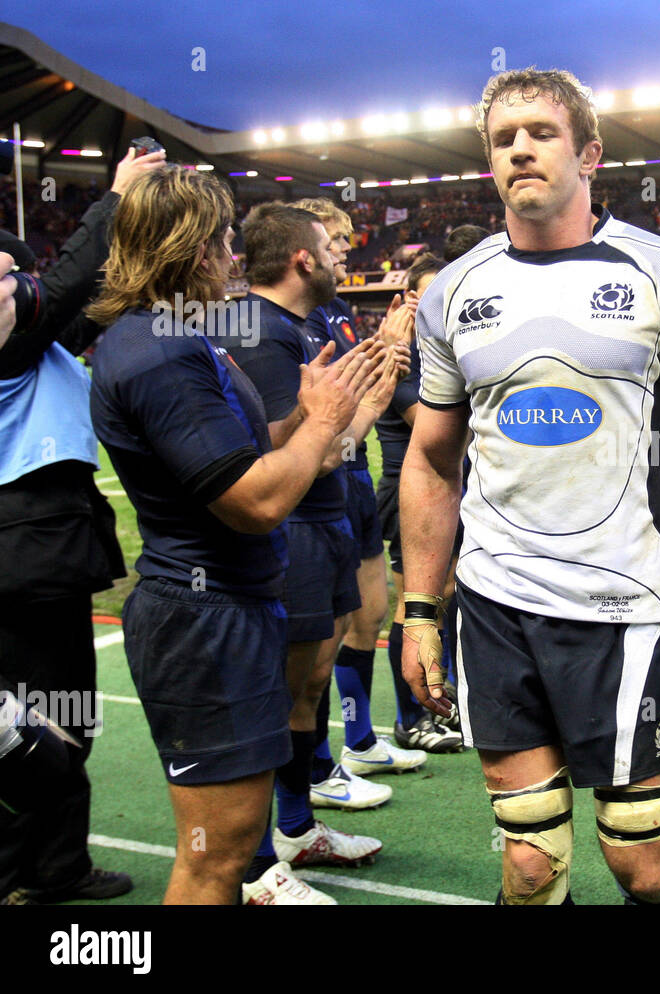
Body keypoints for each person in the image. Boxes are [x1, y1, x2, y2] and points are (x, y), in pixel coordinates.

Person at [400, 68, 660, 905]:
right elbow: (429, 460)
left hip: (621, 604)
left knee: (638, 865)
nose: (519, 148)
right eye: (502, 138)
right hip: (494, 603)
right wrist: (421, 609)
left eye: (542, 132)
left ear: (590, 153)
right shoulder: (453, 292)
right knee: (530, 865)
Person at [87, 166, 383, 904]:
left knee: (225, 850)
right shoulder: (162, 352)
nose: (231, 256)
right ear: (191, 248)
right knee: (216, 859)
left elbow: (254, 454)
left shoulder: (177, 338)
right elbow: (253, 501)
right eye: (222, 239)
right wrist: (321, 425)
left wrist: (320, 410)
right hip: (205, 621)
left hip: (222, 611)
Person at [0, 146, 164, 906]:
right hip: (24, 559)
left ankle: (52, 866)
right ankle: (29, 869)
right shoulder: (13, 342)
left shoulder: (37, 346)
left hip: (41, 556)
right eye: (8, 276)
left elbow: (73, 296)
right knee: (37, 728)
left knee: (50, 721)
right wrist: (116, 198)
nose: (17, 287)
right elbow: (63, 287)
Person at [236, 204, 407, 890]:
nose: (342, 258)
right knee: (277, 694)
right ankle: (251, 863)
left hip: (327, 518)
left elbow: (336, 441)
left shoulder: (298, 327)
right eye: (331, 250)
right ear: (302, 259)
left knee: (308, 684)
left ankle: (299, 829)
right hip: (296, 529)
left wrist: (373, 393)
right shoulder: (265, 333)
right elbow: (286, 450)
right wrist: (342, 429)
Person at [290, 197, 430, 780]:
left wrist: (384, 348)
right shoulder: (291, 323)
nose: (345, 250)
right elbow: (343, 393)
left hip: (353, 472)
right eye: (336, 240)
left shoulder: (335, 311)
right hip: (323, 484)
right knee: (316, 651)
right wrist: (387, 347)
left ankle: (359, 740)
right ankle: (319, 773)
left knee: (367, 614)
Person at [374, 253, 464, 752]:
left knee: (444, 595)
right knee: (416, 602)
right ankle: (411, 719)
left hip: (448, 491)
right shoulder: (403, 355)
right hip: (407, 494)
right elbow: (438, 430)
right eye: (429, 293)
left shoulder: (447, 350)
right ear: (411, 300)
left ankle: (438, 703)